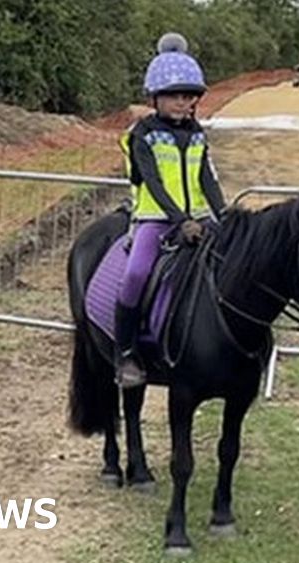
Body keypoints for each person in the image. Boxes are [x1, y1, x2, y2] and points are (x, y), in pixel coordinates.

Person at [115, 32, 226, 388]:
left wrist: (224, 217)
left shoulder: (197, 134)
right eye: (175, 96)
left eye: (189, 96)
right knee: (135, 276)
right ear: (156, 97)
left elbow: (206, 179)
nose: (183, 102)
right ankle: (126, 354)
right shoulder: (142, 135)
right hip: (156, 220)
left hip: (199, 220)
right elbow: (152, 182)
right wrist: (180, 221)